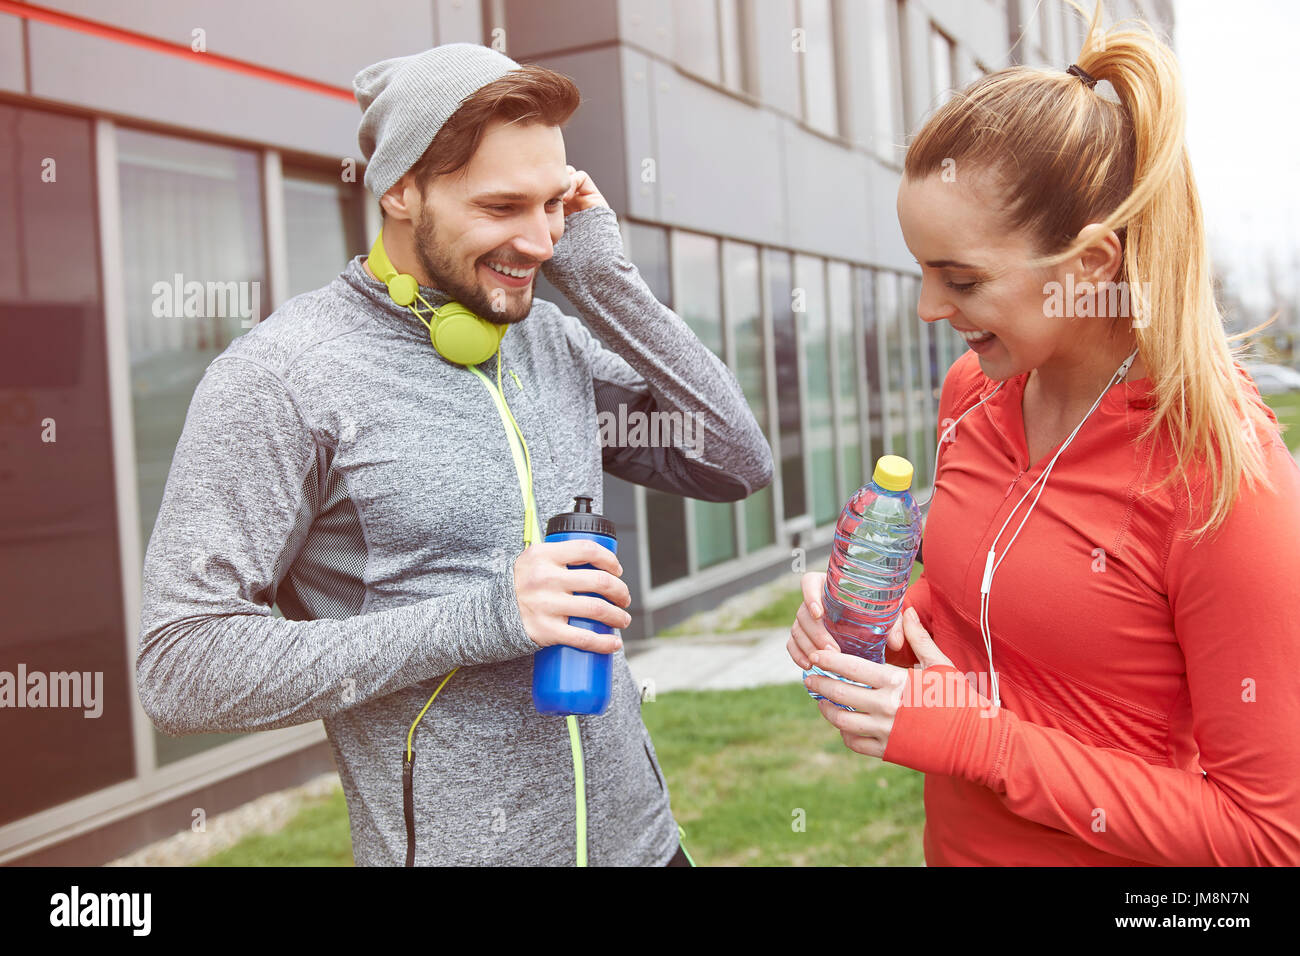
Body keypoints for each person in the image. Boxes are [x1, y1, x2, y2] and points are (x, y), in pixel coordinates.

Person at [136, 43, 773, 866]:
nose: (541, 240)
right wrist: (486, 619)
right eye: (503, 205)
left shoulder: (548, 338)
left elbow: (732, 459)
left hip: (646, 849)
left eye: (554, 204)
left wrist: (606, 277)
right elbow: (181, 667)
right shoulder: (282, 377)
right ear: (400, 190)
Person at [788, 7, 1300, 865]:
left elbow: (1268, 838)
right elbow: (980, 614)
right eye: (920, 269)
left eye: (961, 279)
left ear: (1091, 265)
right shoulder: (973, 394)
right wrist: (869, 633)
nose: (929, 308)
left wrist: (978, 741)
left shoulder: (1223, 481)